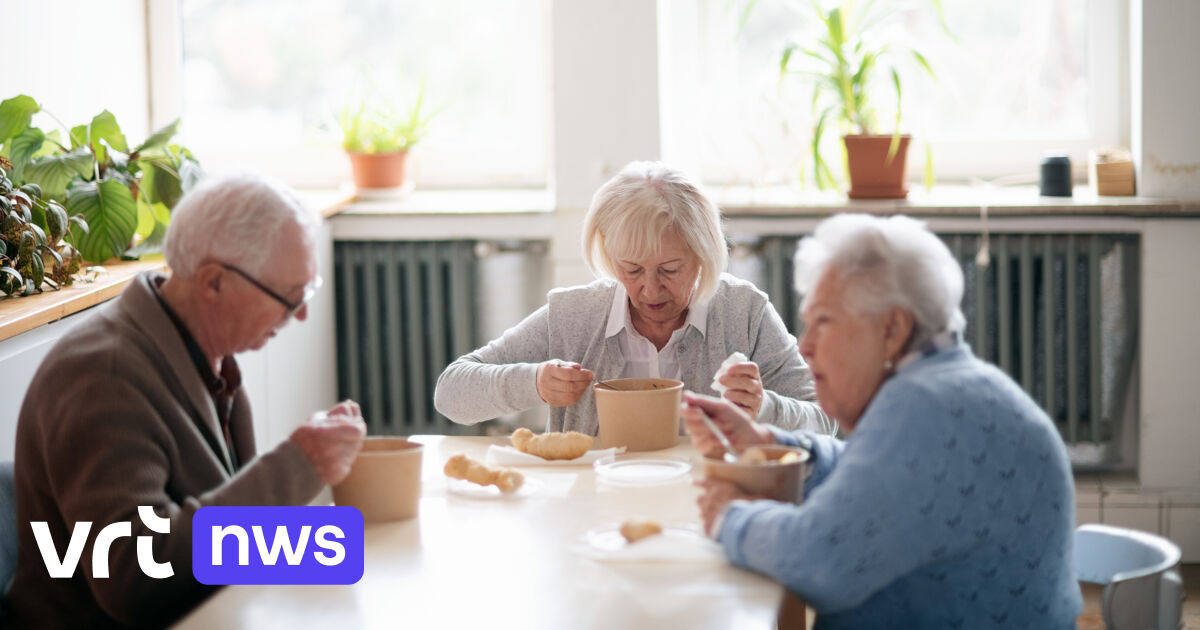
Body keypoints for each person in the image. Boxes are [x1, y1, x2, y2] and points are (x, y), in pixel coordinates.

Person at [684, 214, 1082, 629]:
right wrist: (772, 444)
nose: (806, 345)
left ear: (892, 328)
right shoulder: (950, 386)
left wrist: (729, 516)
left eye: (823, 321)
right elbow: (880, 479)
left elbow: (821, 560)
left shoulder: (923, 405)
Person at [6, 174, 367, 629]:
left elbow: (227, 550)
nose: (302, 314)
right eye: (289, 297)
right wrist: (297, 467)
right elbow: (136, 578)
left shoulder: (203, 354)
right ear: (213, 283)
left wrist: (340, 544)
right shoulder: (104, 378)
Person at [435, 161, 831, 435]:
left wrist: (764, 408)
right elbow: (450, 393)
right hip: (594, 510)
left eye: (670, 270)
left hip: (710, 498)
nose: (651, 289)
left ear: (702, 254)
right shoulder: (574, 315)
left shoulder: (745, 311)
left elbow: (825, 422)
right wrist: (534, 382)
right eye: (632, 270)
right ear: (608, 255)